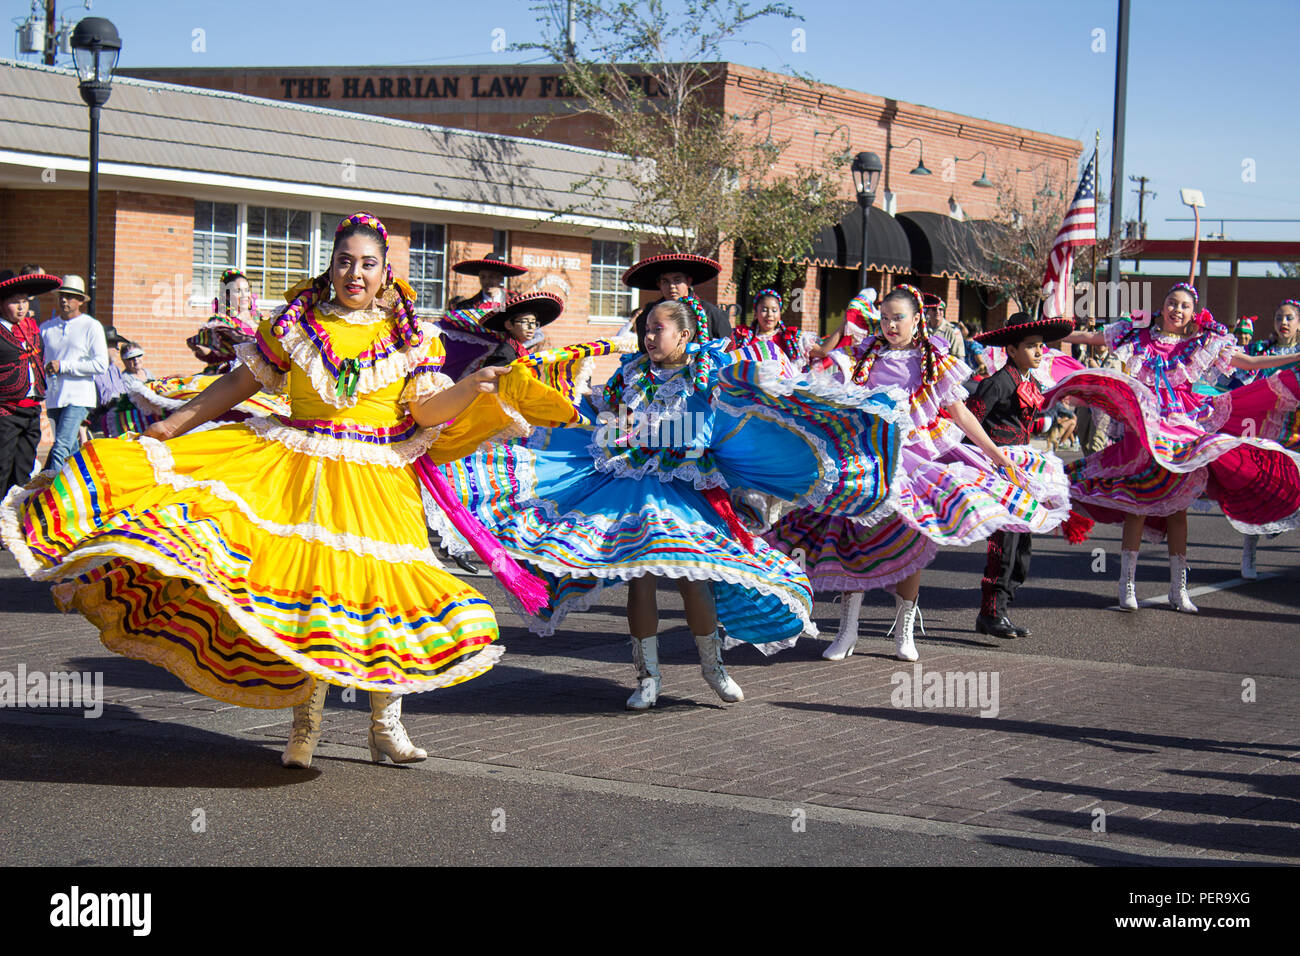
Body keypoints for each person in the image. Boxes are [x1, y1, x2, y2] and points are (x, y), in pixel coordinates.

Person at [1, 213, 583, 770]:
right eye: (345, 261)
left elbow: (428, 409)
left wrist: (475, 385)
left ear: (386, 272)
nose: (355, 274)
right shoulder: (294, 325)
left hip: (379, 477)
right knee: (311, 601)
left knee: (384, 599)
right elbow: (236, 383)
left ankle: (387, 725)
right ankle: (305, 723)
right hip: (298, 470)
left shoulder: (411, 336)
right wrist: (170, 426)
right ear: (331, 266)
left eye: (368, 264)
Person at [443, 296, 904, 709]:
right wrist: (582, 408)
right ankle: (647, 677)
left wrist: (657, 435)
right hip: (629, 482)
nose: (647, 336)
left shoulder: (706, 374)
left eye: (657, 329)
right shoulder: (631, 373)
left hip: (685, 488)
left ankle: (713, 667)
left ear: (684, 334)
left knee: (692, 577)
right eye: (645, 328)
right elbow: (607, 416)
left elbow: (704, 430)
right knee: (639, 579)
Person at [770, 286, 1072, 662]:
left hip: (914, 461)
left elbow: (961, 413)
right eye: (885, 317)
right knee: (854, 537)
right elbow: (829, 387)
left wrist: (996, 455)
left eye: (899, 317)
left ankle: (905, 629)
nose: (891, 324)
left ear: (917, 319)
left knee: (912, 542)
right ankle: (847, 631)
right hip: (868, 459)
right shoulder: (864, 354)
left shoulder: (932, 358)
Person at [1057, 283, 1300, 612]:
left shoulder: (1201, 343)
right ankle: (1126, 585)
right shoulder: (1137, 334)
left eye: (1185, 306)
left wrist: (1297, 355)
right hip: (1144, 430)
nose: (1177, 310)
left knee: (1177, 511)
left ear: (1192, 313)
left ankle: (1177, 589)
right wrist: (1053, 333)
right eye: (1172, 303)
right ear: (1163, 305)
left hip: (1183, 430)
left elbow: (1248, 361)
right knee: (1137, 505)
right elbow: (1093, 339)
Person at [966, 312, 1079, 639]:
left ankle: (1002, 608)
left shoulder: (1027, 384)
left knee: (1022, 548)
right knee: (1004, 545)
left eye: (1041, 346)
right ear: (1011, 350)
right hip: (1001, 471)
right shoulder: (996, 383)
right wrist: (973, 463)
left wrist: (1049, 425)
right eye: (1031, 346)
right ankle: (991, 613)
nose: (1040, 352)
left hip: (1023, 469)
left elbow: (1022, 425)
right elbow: (971, 424)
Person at [1234, 299, 1300, 578]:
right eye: (1278, 318)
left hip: (1296, 428)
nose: (1283, 323)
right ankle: (1249, 552)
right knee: (1259, 489)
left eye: (1289, 318)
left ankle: (1279, 521)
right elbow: (1238, 379)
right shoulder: (1260, 351)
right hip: (1265, 429)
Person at [39, 274, 108, 474]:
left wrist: (65, 366)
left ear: (80, 301)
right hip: (53, 397)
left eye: (70, 296)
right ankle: (83, 481)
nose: (64, 300)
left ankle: (53, 493)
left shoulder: (91, 326)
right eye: (62, 295)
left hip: (78, 397)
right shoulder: (46, 328)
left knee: (60, 446)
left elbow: (101, 364)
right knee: (69, 449)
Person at [0, 270, 58, 498]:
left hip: (30, 409)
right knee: (2, 466)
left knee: (24, 469)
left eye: (24, 301)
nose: (21, 307)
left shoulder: (32, 329)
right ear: (3, 303)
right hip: (5, 411)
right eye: (15, 302)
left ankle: (12, 515)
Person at [626, 253, 732, 350]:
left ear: (688, 281)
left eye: (677, 280)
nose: (671, 286)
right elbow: (645, 351)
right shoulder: (648, 314)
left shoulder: (712, 314)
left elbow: (728, 354)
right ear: (659, 284)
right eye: (665, 281)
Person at [726, 289, 820, 371]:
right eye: (764, 310)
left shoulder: (791, 339)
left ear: (779, 314)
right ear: (755, 313)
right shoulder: (742, 338)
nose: (769, 314)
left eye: (774, 310)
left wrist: (835, 333)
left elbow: (822, 352)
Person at [188, 268, 260, 374]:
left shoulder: (260, 320)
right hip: (233, 376)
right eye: (238, 291)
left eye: (247, 290)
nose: (245, 295)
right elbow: (214, 353)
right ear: (226, 296)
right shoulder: (222, 322)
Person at [447, 252, 526, 311]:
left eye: (491, 277)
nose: (486, 281)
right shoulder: (466, 307)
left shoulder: (515, 303)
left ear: (500, 278)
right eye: (483, 277)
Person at [922, 292, 966, 365]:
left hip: (946, 370)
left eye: (941, 309)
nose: (937, 312)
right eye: (934, 309)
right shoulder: (923, 329)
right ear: (928, 311)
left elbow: (959, 357)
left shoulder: (953, 331)